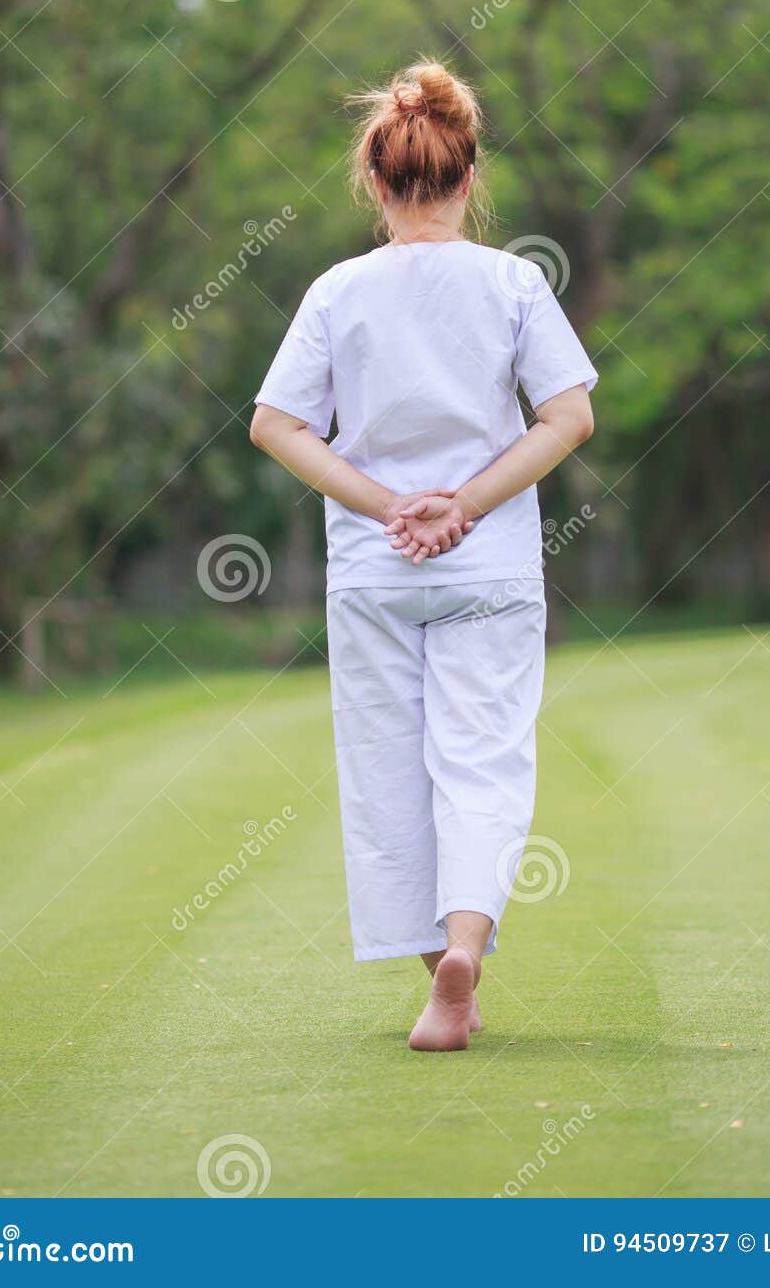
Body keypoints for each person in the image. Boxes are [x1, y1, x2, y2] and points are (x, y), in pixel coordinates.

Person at [250, 61, 597, 1051]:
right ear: (466, 172)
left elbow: (275, 425)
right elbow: (567, 416)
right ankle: (465, 951)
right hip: (486, 568)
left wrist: (389, 505)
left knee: (387, 775)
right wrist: (466, 503)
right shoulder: (512, 281)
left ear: (375, 178)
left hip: (373, 571)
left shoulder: (335, 291)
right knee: (480, 760)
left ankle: (439, 985)